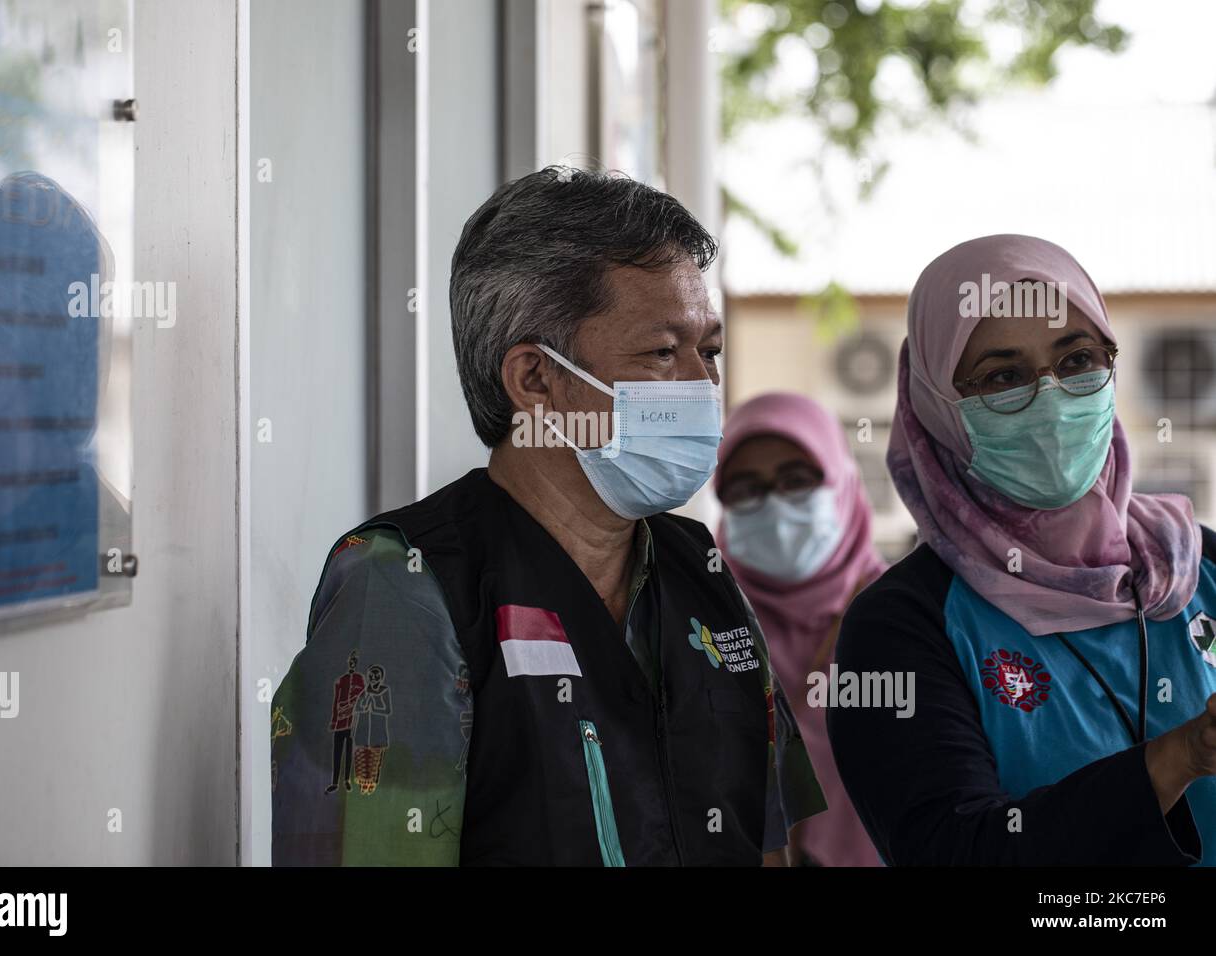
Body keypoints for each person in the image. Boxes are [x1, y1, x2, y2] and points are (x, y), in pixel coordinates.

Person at [271, 167, 826, 866]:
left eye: (708, 350)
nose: (704, 385)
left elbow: (767, 842)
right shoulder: (405, 582)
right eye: (662, 352)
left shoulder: (699, 567)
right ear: (535, 380)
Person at [829, 234, 1216, 865]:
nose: (1052, 399)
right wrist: (1177, 760)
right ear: (937, 405)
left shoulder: (1198, 565)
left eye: (1077, 360)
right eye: (1002, 377)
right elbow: (951, 851)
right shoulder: (900, 627)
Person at [715, 392, 885, 866]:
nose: (774, 507)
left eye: (797, 480)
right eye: (746, 488)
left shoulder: (907, 615)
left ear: (842, 482)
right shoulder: (700, 624)